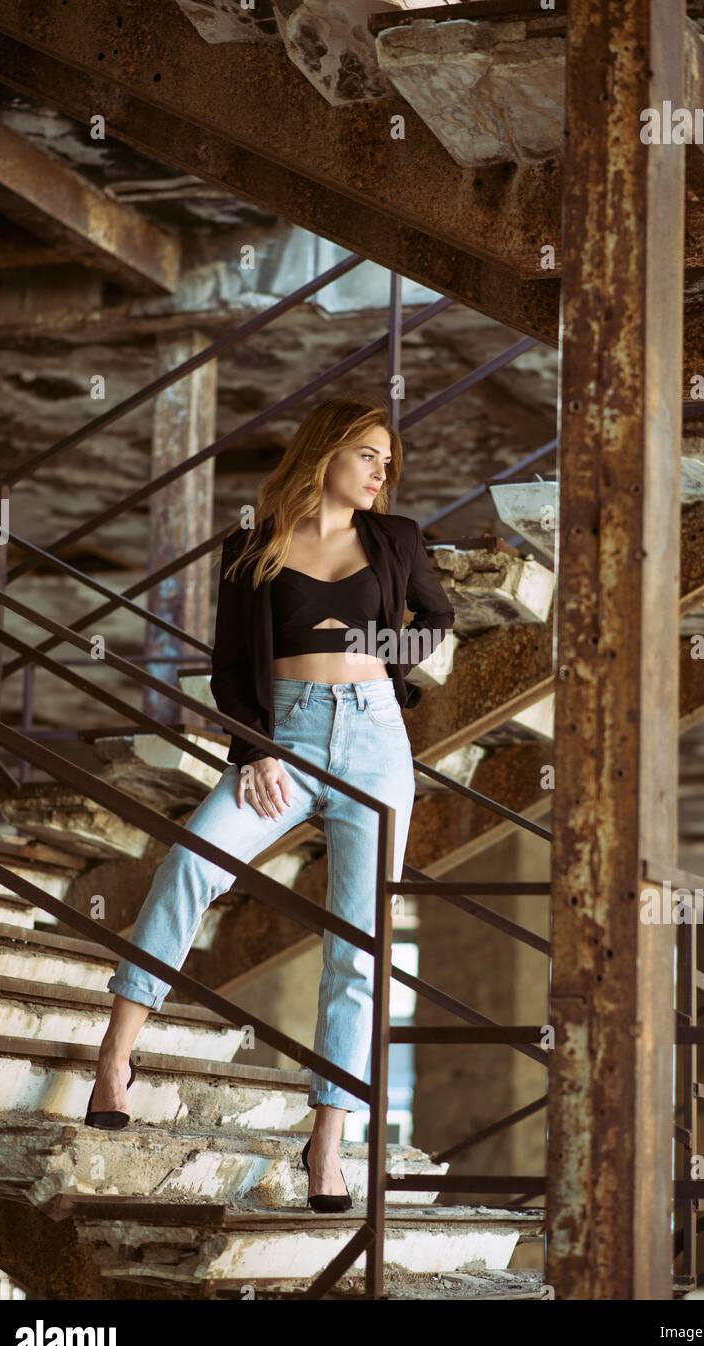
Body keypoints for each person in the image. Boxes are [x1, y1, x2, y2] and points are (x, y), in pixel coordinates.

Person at [87, 396, 455, 1209]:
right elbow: (227, 668)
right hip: (283, 737)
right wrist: (252, 750)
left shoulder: (394, 539)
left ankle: (327, 1140)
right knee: (189, 862)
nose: (380, 471)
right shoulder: (254, 544)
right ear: (324, 452)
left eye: (386, 461)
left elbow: (437, 615)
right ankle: (116, 1057)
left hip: (373, 741)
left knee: (358, 945)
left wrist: (379, 651)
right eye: (367, 455)